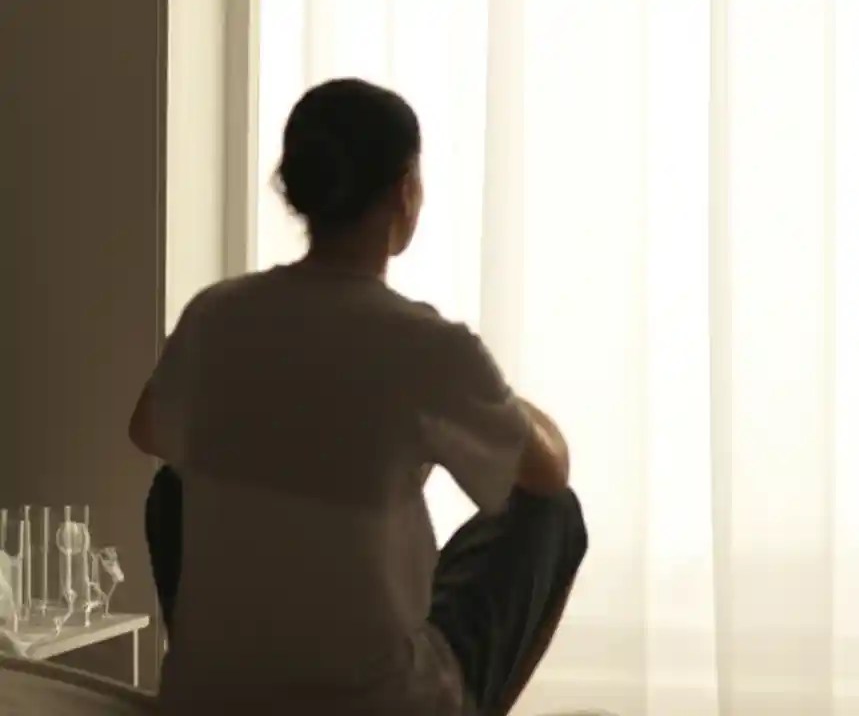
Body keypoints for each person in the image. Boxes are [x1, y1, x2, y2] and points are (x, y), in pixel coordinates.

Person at [130, 78, 586, 716]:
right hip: (380, 703)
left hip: (209, 698)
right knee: (551, 513)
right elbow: (548, 470)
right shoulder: (427, 346)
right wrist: (496, 398)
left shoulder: (216, 314)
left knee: (176, 485)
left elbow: (149, 429)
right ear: (405, 190)